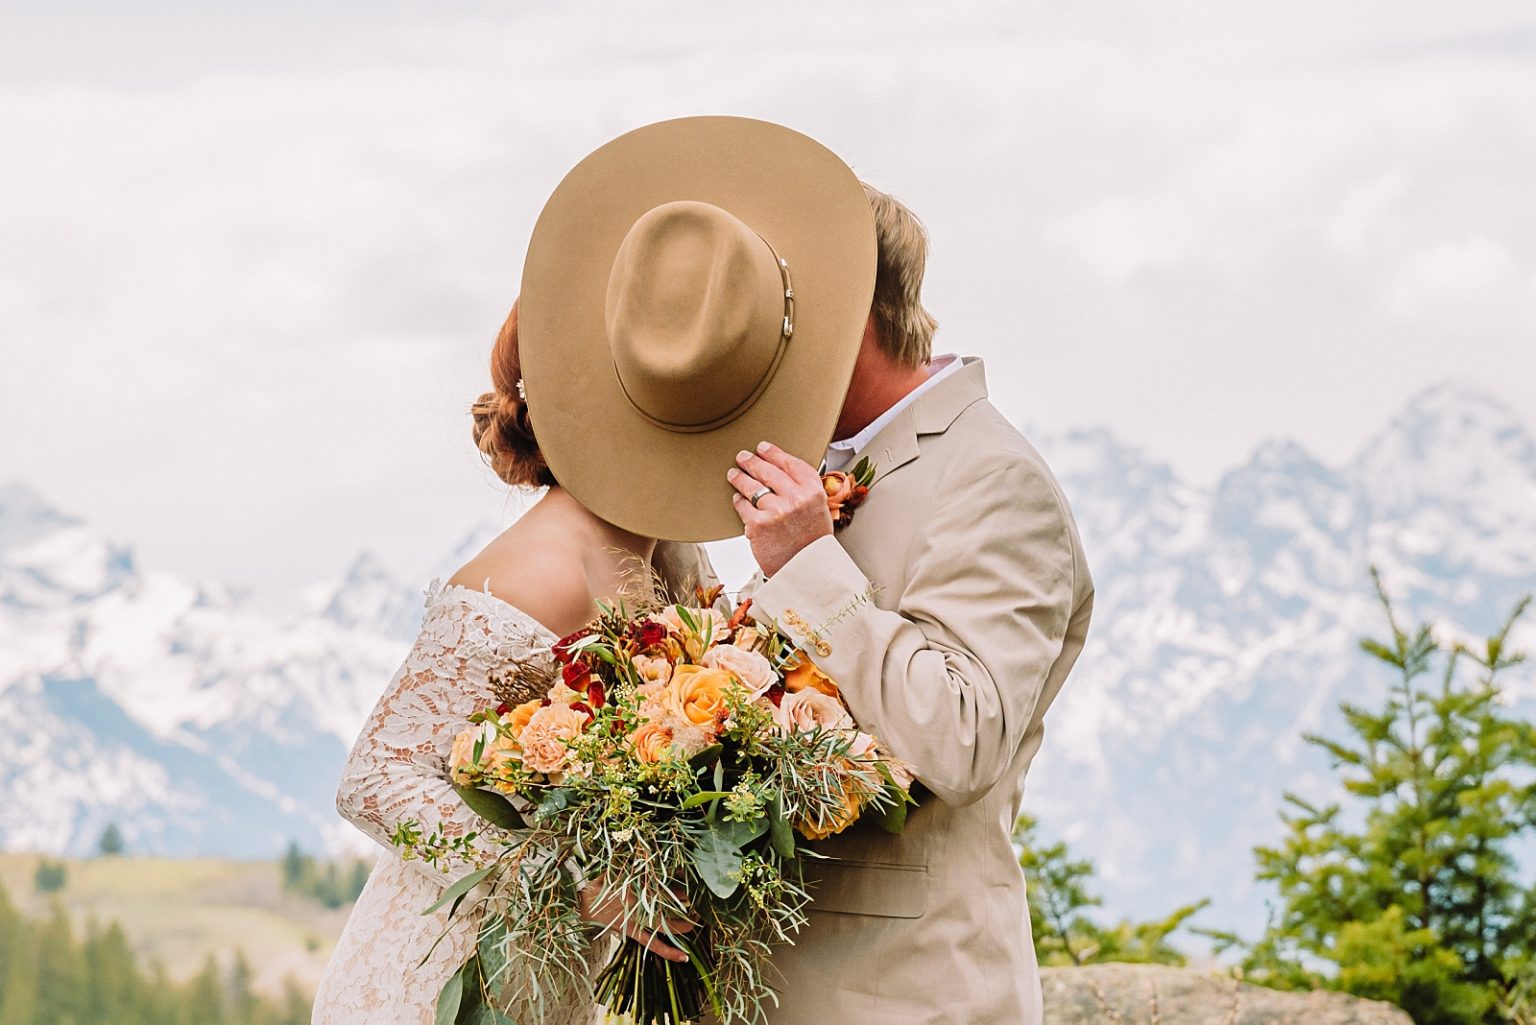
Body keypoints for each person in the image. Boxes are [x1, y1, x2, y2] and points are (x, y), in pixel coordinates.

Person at [312, 116, 881, 1024]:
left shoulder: (670, 543)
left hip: (552, 980)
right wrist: (576, 877)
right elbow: (376, 779)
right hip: (452, 986)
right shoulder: (534, 570)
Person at [723, 183, 1095, 1024]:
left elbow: (962, 737)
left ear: (840, 312)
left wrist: (809, 563)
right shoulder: (824, 465)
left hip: (908, 997)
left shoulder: (992, 476)